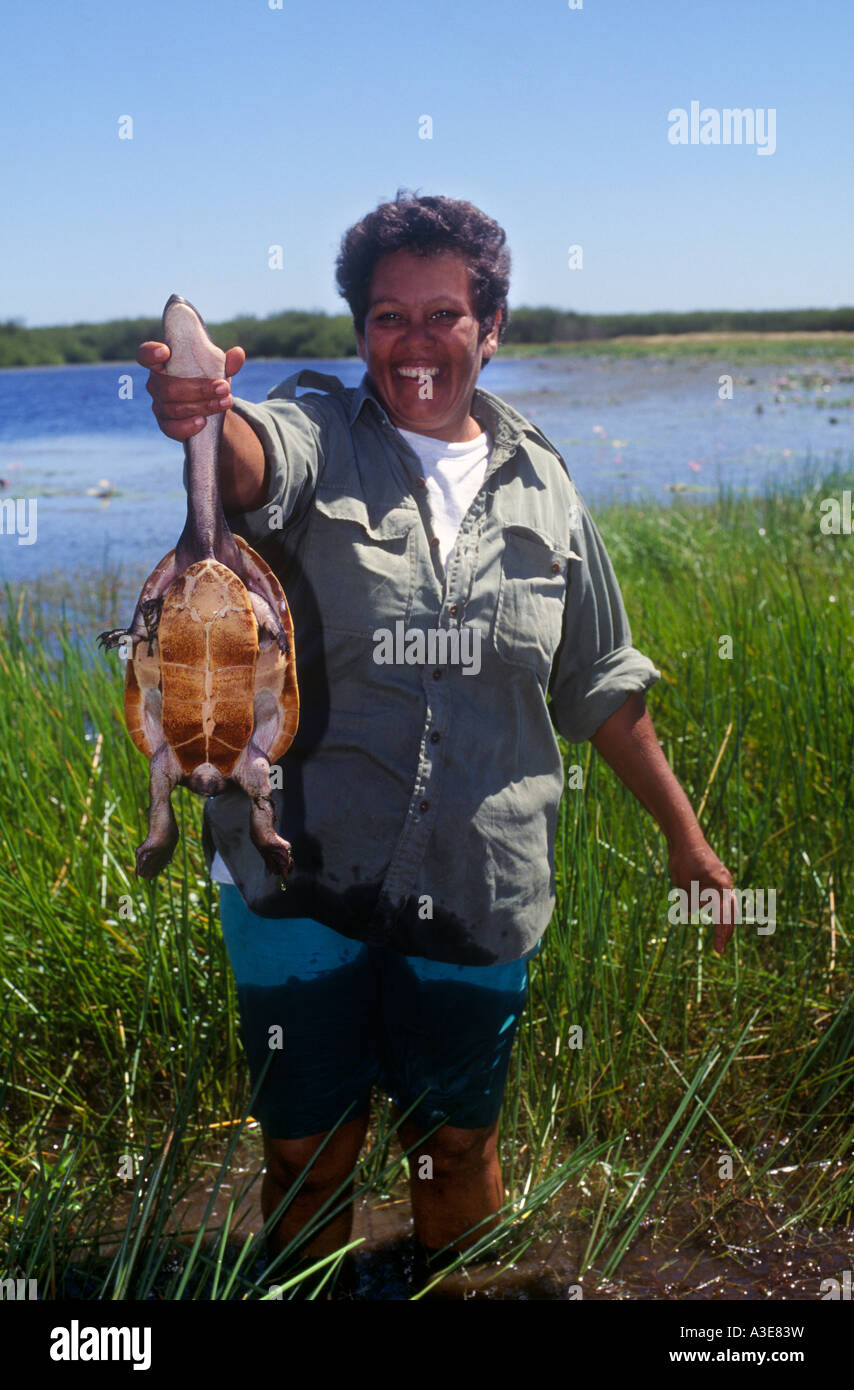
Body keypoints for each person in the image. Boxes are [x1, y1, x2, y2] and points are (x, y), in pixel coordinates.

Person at [138, 191, 734, 1295]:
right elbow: (248, 462)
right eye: (385, 316)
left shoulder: (546, 488)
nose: (413, 341)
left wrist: (686, 843)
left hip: (478, 882)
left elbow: (602, 683)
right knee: (305, 1154)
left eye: (442, 314)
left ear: (488, 327)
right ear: (359, 331)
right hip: (297, 878)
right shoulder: (318, 428)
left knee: (453, 1145)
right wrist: (200, 410)